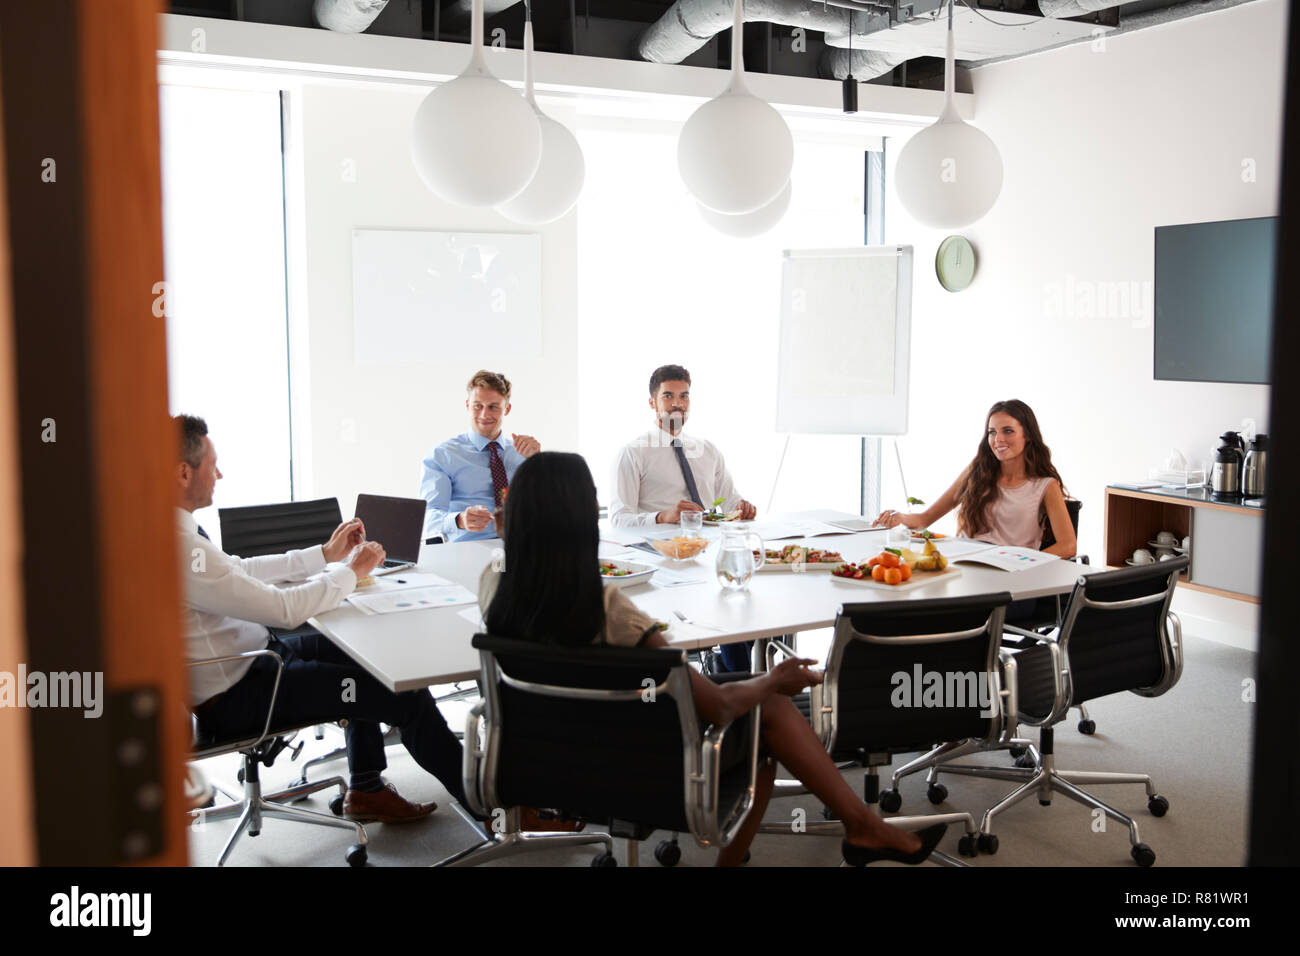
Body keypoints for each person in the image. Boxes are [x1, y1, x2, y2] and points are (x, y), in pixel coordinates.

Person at [481, 452, 946, 867]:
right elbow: (718, 707)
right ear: (583, 521)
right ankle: (860, 828)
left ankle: (862, 827)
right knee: (768, 714)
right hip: (639, 766)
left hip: (552, 759)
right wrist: (773, 680)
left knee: (761, 715)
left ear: (515, 518)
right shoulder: (608, 609)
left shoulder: (493, 589)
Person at [176, 414, 467, 823]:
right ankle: (493, 806)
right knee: (404, 695)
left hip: (259, 660)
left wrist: (325, 555)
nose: (219, 474)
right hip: (246, 694)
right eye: (213, 464)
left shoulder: (176, 532)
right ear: (183, 472)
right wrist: (351, 572)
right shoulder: (178, 547)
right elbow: (285, 611)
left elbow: (238, 569)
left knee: (366, 657)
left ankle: (366, 789)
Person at [873, 399, 1077, 559]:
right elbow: (924, 520)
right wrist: (900, 517)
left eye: (1008, 431)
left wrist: (1025, 562)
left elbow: (1068, 546)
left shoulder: (1045, 486)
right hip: (967, 564)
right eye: (992, 432)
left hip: (1011, 576)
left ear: (1028, 436)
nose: (998, 440)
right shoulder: (977, 472)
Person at [608, 364, 757, 528]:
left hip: (711, 540)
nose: (677, 404)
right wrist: (662, 517)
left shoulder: (709, 451)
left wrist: (742, 508)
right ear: (652, 403)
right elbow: (619, 520)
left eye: (684, 396)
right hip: (661, 543)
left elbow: (731, 502)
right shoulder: (632, 453)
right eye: (668, 396)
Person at [420, 369, 541, 543]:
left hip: (521, 546)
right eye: (478, 406)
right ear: (467, 405)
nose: (485, 414)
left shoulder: (523, 453)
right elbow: (427, 517)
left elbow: (548, 508)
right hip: (467, 548)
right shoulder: (443, 455)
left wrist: (538, 463)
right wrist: (459, 520)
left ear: (506, 409)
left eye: (493, 407)